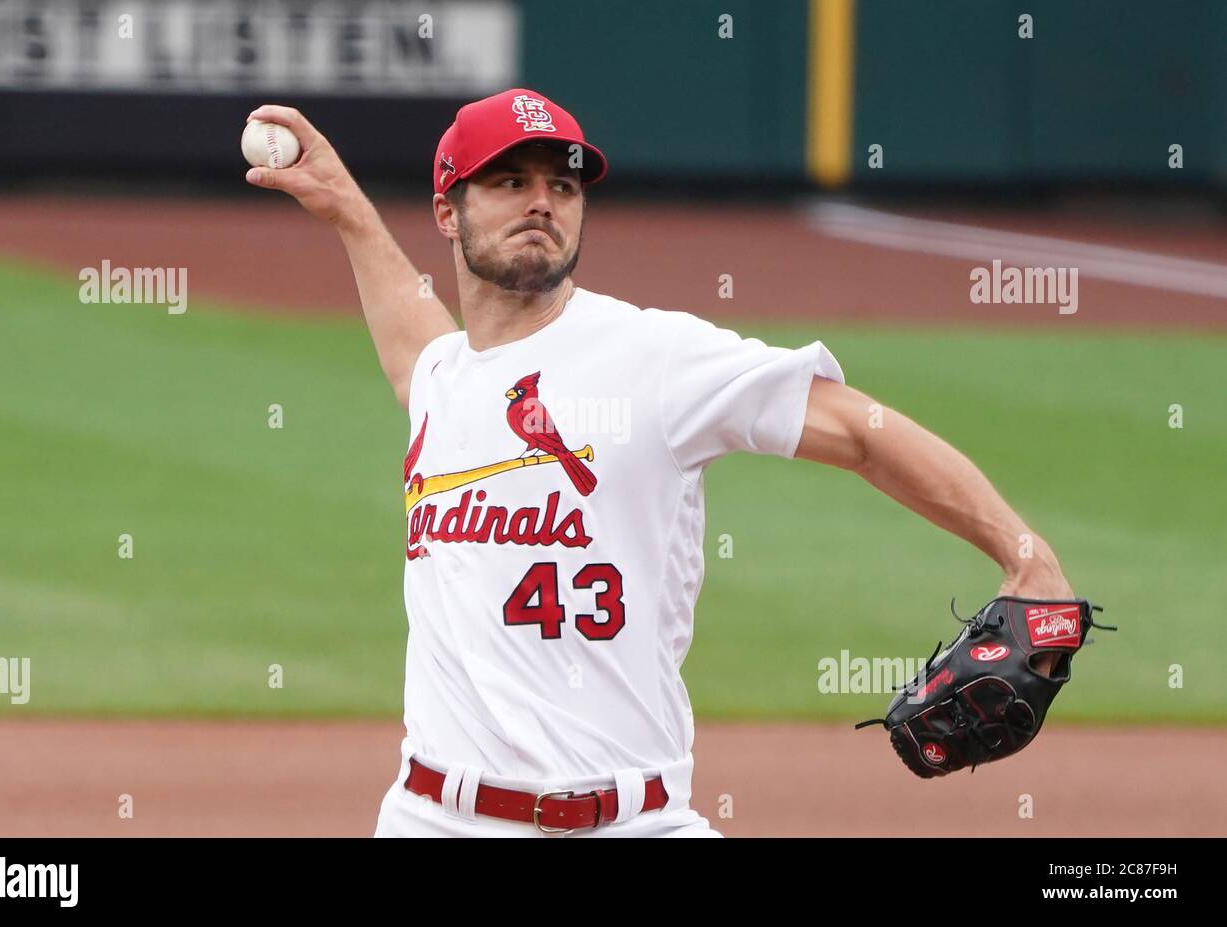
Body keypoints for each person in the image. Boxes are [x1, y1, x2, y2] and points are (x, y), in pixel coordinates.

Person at [244, 88, 1074, 838]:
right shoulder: (448, 376)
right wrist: (349, 209)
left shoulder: (655, 356)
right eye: (510, 182)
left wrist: (1025, 554)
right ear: (448, 212)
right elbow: (412, 350)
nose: (542, 201)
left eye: (563, 185)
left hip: (632, 822)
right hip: (430, 818)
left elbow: (863, 429)